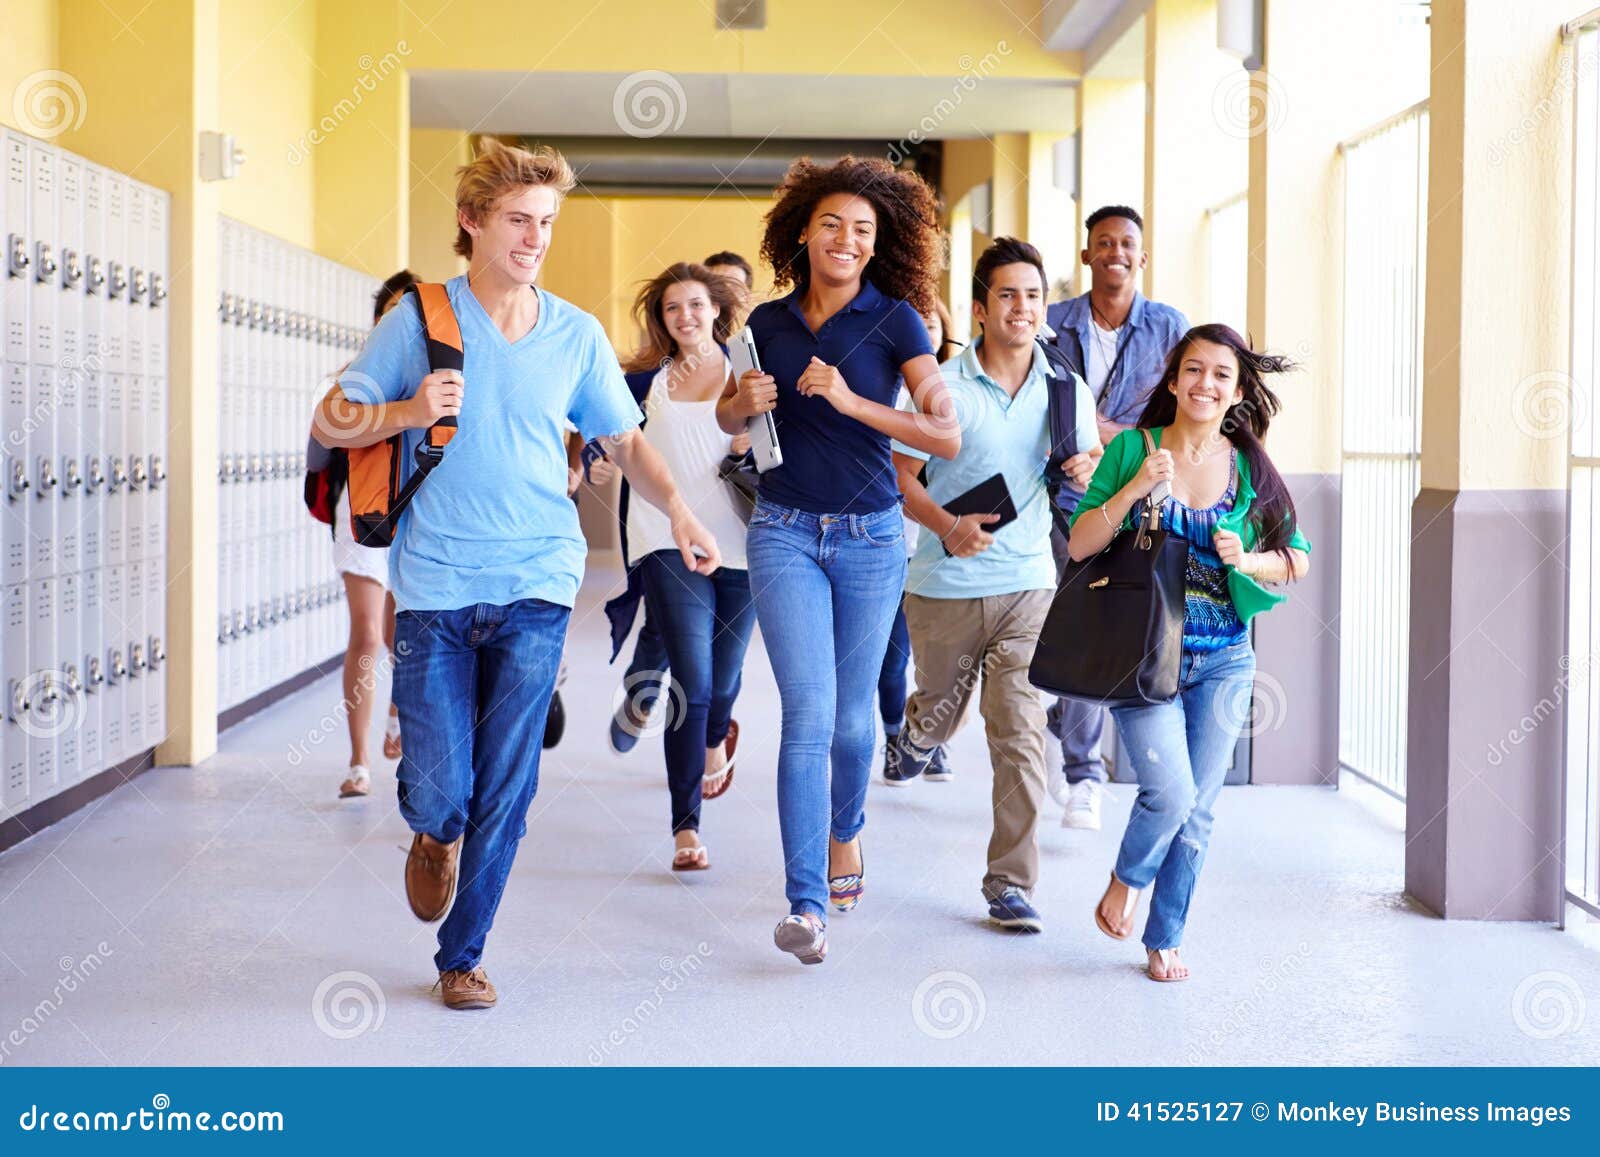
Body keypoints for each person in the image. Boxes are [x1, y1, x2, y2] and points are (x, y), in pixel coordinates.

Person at [314, 139, 719, 1011]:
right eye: (517, 221)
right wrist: (406, 409)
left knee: (509, 782)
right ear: (472, 221)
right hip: (433, 588)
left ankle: (463, 954)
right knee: (441, 784)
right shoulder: (421, 320)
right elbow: (334, 415)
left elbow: (624, 441)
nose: (535, 238)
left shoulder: (574, 332)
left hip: (538, 580)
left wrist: (681, 512)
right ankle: (433, 833)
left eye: (546, 223)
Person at [717, 155, 959, 966]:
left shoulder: (899, 323)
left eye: (862, 229)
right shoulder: (768, 324)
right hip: (783, 530)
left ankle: (846, 828)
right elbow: (728, 410)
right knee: (807, 717)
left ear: (878, 242)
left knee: (855, 723)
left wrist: (853, 401)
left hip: (869, 538)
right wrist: (739, 404)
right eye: (831, 224)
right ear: (803, 233)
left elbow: (945, 433)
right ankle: (804, 903)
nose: (846, 239)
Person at [1066, 323, 1310, 982]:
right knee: (1170, 793)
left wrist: (1249, 556)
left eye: (1221, 375)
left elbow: (1297, 559)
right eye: (1193, 370)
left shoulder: (1249, 464)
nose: (1205, 384)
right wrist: (1134, 487)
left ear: (1236, 391)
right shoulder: (1135, 450)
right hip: (1140, 655)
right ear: (1173, 380)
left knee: (1200, 808)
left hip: (1225, 658)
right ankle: (1127, 877)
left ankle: (1164, 933)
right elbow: (1081, 543)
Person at [890, 238, 1098, 933]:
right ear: (979, 308)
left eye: (1033, 296)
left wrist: (1083, 471)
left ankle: (1010, 881)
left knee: (1019, 732)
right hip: (944, 585)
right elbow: (900, 477)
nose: (1022, 307)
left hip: (1028, 583)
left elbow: (1087, 460)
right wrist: (948, 526)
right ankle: (919, 733)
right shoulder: (940, 386)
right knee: (942, 713)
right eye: (1007, 295)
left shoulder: (1066, 387)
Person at [1042, 205, 1190, 831]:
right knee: (1078, 617)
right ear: (1086, 257)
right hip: (1060, 493)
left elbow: (1178, 413)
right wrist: (1070, 447)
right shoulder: (1053, 323)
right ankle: (1081, 765)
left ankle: (1083, 773)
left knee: (1102, 621)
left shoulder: (1168, 326)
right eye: (1103, 243)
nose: (1115, 252)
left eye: (1127, 243)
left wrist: (1106, 438)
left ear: (1142, 256)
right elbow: (1037, 400)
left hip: (1133, 493)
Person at [618, 263, 756, 869]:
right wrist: (592, 462)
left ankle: (713, 737)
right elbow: (614, 438)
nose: (686, 317)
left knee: (724, 683)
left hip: (743, 542)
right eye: (673, 308)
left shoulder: (747, 372)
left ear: (717, 310)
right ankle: (685, 829)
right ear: (663, 318)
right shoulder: (647, 378)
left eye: (696, 305)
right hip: (665, 537)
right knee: (693, 681)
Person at [309, 269, 415, 800]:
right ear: (377, 320)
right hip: (362, 515)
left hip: (418, 514)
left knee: (406, 634)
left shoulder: (436, 374)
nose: (398, 320)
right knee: (367, 633)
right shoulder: (355, 376)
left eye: (409, 311)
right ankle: (357, 760)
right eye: (390, 311)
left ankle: (399, 712)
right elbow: (321, 442)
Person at [879, 298, 957, 784]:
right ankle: (896, 736)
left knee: (937, 657)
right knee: (894, 653)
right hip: (891, 539)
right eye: (916, 323)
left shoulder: (958, 390)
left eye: (931, 323)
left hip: (940, 546)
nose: (923, 331)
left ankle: (925, 735)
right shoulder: (881, 385)